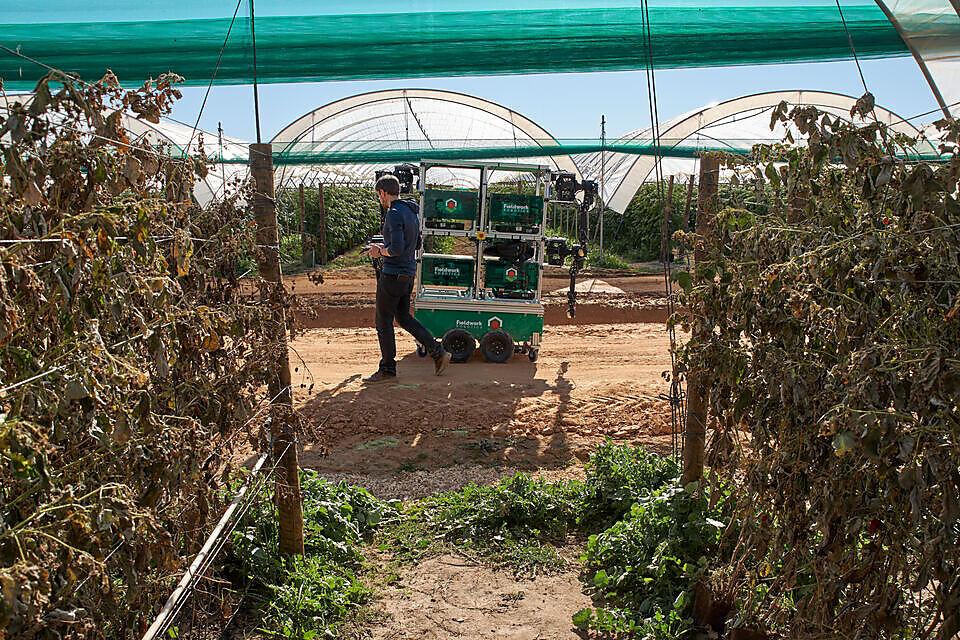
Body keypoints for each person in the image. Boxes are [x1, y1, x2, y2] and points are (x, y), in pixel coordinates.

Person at [364, 174, 451, 383]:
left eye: (379, 195)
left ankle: (387, 369)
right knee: (403, 317)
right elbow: (417, 245)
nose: (379, 199)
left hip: (393, 275)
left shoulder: (393, 213)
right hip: (408, 274)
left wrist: (379, 251)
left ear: (383, 192)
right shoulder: (412, 212)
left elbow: (395, 248)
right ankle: (437, 352)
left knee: (383, 320)